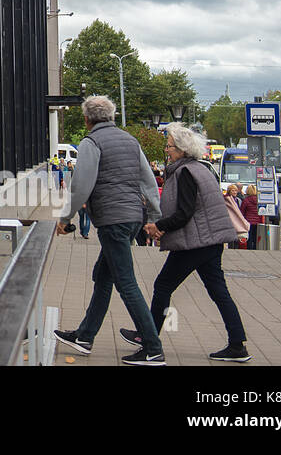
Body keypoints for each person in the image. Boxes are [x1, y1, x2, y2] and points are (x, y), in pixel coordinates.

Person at [119, 124, 251, 363]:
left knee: (163, 286)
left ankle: (150, 344)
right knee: (218, 291)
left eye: (169, 146)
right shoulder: (201, 169)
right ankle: (237, 345)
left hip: (197, 242)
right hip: (210, 241)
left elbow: (185, 213)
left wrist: (159, 226)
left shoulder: (185, 173)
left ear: (181, 149)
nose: (166, 150)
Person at [54, 95, 166, 366]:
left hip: (112, 220)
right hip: (132, 219)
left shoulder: (91, 142)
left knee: (126, 282)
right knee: (103, 277)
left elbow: (81, 184)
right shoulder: (130, 141)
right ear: (112, 117)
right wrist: (154, 217)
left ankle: (152, 348)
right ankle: (84, 335)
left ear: (86, 119)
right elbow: (148, 182)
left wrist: (65, 218)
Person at [241, 185, 263, 250]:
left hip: (249, 222)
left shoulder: (246, 200)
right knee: (256, 237)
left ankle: (249, 249)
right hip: (258, 221)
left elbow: (242, 211)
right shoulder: (259, 200)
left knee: (249, 237)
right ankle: (255, 248)